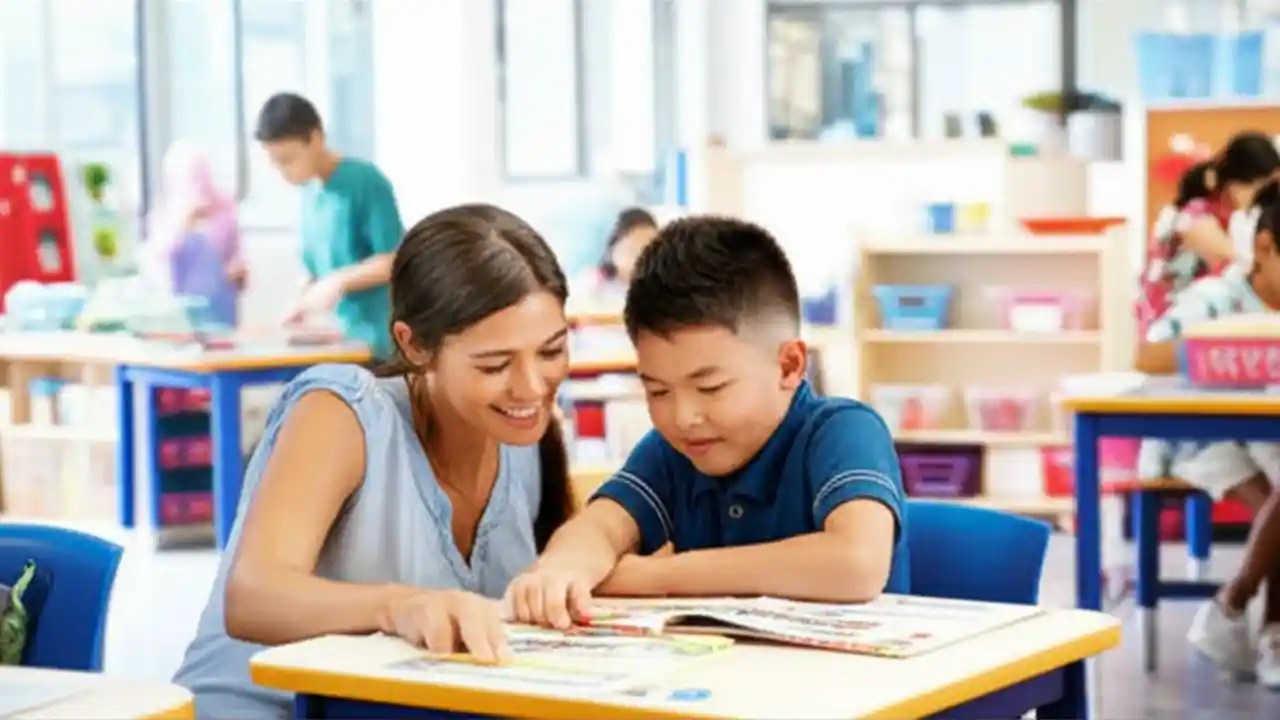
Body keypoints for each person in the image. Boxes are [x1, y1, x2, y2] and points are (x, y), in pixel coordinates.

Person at [173, 204, 576, 718]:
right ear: (414, 346)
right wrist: (398, 606)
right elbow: (253, 596)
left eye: (552, 351)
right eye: (495, 364)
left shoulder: (523, 445)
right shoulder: (343, 411)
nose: (532, 387)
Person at [505, 216, 908, 628]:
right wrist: (562, 568)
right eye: (658, 391)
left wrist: (657, 576)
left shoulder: (841, 431)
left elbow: (856, 563)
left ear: (788, 365)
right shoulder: (674, 452)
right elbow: (601, 525)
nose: (683, 418)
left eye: (711, 387)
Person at [1135, 182, 1280, 687]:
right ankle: (1259, 623)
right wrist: (1222, 349)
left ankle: (1236, 613)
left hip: (1266, 439)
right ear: (1264, 248)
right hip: (1196, 439)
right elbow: (1147, 357)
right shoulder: (1217, 298)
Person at [254, 92, 405, 360]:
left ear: (315, 138)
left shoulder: (364, 181)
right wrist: (298, 303)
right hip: (337, 343)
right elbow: (315, 270)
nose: (283, 172)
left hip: (375, 344)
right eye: (276, 164)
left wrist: (339, 281)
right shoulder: (310, 195)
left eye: (288, 160)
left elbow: (393, 259)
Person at [1138, 131, 1280, 338]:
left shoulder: (1227, 218)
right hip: (1173, 321)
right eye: (1265, 189)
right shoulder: (1196, 217)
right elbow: (1241, 261)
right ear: (1237, 185)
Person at [145, 141, 245, 328]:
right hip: (179, 317)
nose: (198, 183)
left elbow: (236, 256)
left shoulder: (225, 208)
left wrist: (237, 270)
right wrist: (182, 225)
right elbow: (157, 263)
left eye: (201, 175)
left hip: (221, 313)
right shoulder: (163, 213)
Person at [573, 207, 660, 308]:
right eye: (632, 250)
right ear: (612, 250)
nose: (641, 258)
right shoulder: (591, 285)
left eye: (648, 250)